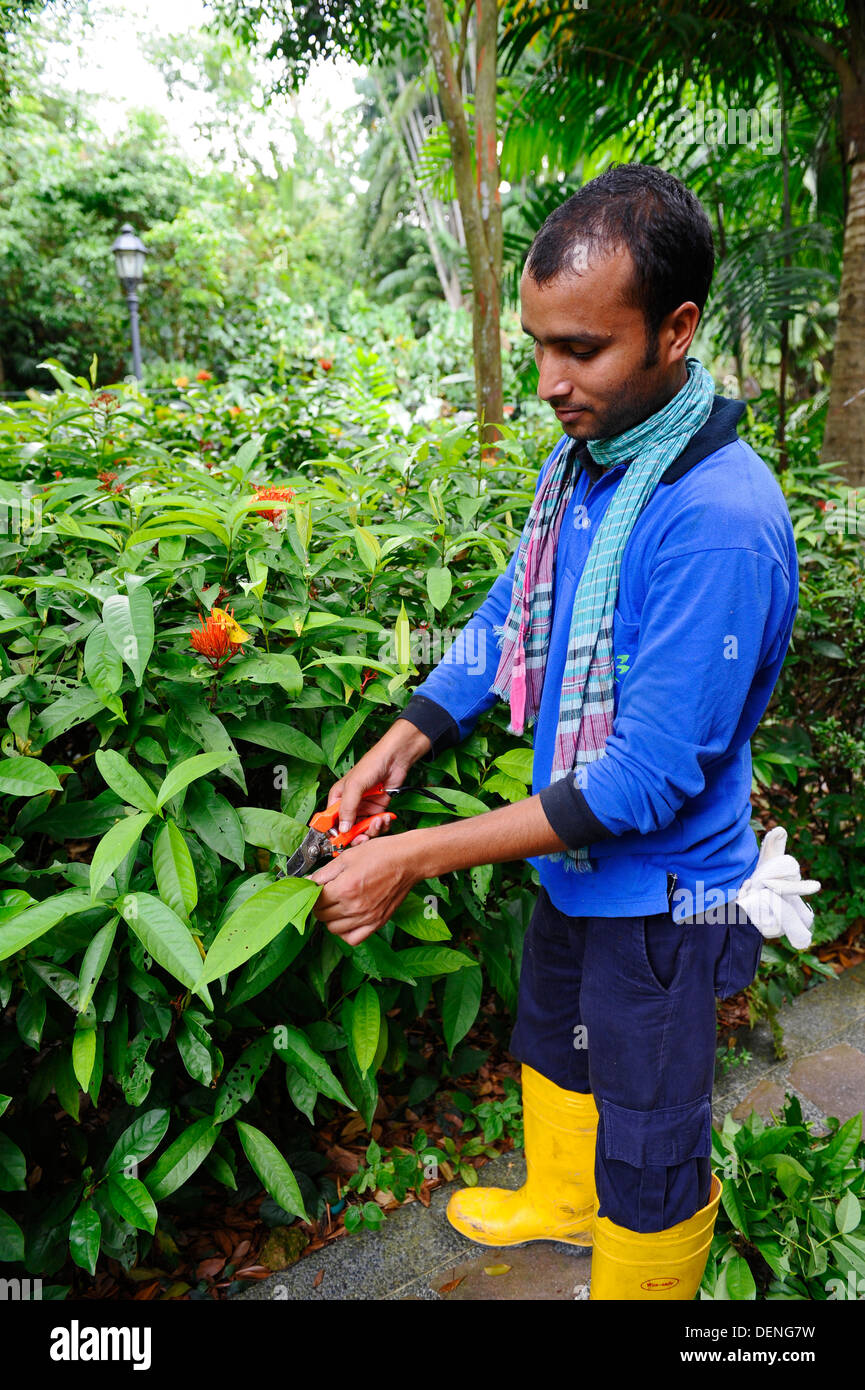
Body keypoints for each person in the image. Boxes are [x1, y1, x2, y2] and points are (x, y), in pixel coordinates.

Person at [308, 164, 818, 1300]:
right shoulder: (590, 462)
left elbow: (641, 782)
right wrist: (404, 738)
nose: (547, 381)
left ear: (675, 330)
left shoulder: (716, 522)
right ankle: (559, 1202)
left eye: (580, 349)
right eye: (537, 344)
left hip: (663, 903)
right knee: (553, 1042)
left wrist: (409, 856)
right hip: (574, 870)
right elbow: (511, 614)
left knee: (651, 1138)